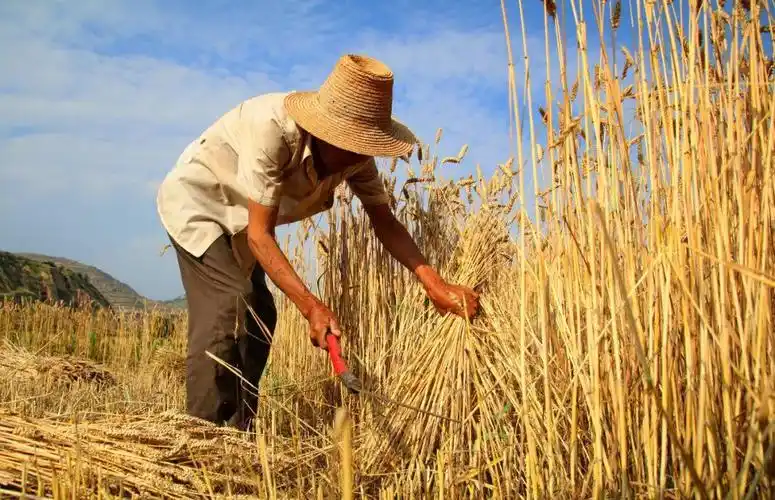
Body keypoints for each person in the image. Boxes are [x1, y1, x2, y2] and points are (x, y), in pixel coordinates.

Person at [156, 54, 480, 431]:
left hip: (243, 224)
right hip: (200, 203)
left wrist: (435, 284)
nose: (361, 155)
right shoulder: (272, 131)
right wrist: (312, 306)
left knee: (261, 312)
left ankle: (240, 431)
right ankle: (201, 437)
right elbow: (262, 234)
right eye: (353, 143)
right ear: (326, 131)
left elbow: (385, 221)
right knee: (230, 304)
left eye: (367, 145)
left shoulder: (356, 160)